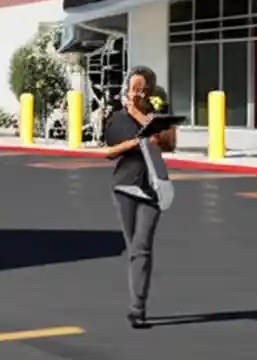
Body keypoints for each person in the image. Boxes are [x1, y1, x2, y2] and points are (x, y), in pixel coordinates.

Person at [102, 65, 176, 329]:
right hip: (124, 187)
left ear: (148, 91)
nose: (134, 93)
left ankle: (137, 309)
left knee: (142, 247)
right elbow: (110, 152)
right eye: (131, 87)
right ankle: (137, 303)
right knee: (134, 247)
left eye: (139, 88)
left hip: (153, 187)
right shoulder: (118, 118)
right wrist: (135, 142)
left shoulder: (157, 115)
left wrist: (138, 114)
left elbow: (168, 142)